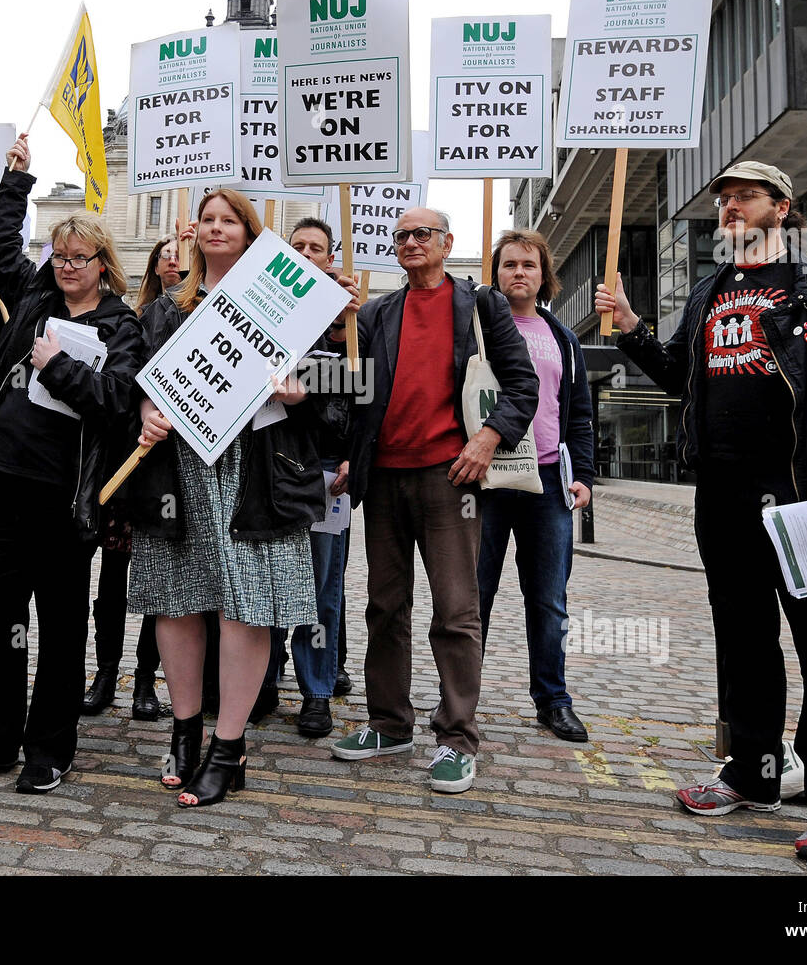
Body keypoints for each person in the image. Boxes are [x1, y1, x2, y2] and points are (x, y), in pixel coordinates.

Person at [595, 160, 807, 863]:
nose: (730, 208)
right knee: (745, 639)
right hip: (722, 494)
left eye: (745, 197)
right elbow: (679, 376)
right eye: (723, 199)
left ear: (781, 208)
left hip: (799, 490)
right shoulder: (710, 288)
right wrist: (634, 328)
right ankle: (752, 771)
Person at [127, 189, 355, 808]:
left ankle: (229, 749)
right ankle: (185, 731)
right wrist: (146, 409)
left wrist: (301, 387)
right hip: (178, 475)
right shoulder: (166, 310)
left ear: (251, 234)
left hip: (257, 473)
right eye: (207, 220)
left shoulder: (294, 307)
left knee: (245, 607)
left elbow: (344, 385)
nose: (216, 228)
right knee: (177, 601)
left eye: (230, 220)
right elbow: (135, 376)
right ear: (194, 232)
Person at [0, 133, 142, 794]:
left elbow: (116, 401)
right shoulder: (33, 302)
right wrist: (16, 183)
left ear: (103, 263)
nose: (65, 266)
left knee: (60, 625)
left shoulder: (122, 326)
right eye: (58, 256)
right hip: (1, 480)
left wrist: (55, 367)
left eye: (77, 257)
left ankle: (49, 746)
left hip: (67, 498)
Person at [333, 207, 539, 793]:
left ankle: (456, 738)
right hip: (387, 479)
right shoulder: (377, 312)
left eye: (422, 233)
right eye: (400, 235)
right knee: (384, 607)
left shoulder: (480, 305)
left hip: (452, 479)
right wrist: (340, 322)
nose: (409, 242)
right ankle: (388, 723)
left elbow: (524, 384)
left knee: (455, 612)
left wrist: (487, 438)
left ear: (448, 243)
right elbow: (358, 389)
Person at [478, 229, 594, 743]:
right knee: (471, 596)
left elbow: (581, 414)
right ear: (495, 274)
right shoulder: (475, 327)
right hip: (484, 476)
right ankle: (461, 697)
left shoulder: (561, 337)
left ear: (544, 276)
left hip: (547, 479)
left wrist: (584, 476)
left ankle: (553, 698)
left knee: (549, 597)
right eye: (508, 265)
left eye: (528, 265)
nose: (518, 272)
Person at [81, 235, 182, 720]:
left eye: (183, 253)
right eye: (166, 253)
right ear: (153, 265)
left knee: (157, 582)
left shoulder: (204, 311)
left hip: (175, 471)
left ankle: (146, 681)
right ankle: (105, 675)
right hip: (130, 460)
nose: (174, 260)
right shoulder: (133, 317)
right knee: (115, 581)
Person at [284, 217, 351, 738]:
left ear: (331, 259)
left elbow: (367, 385)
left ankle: (317, 692)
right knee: (260, 578)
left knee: (322, 589)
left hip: (327, 470)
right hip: (267, 465)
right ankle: (261, 684)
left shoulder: (348, 321)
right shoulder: (268, 306)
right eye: (297, 247)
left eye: (317, 249)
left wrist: (353, 453)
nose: (307, 255)